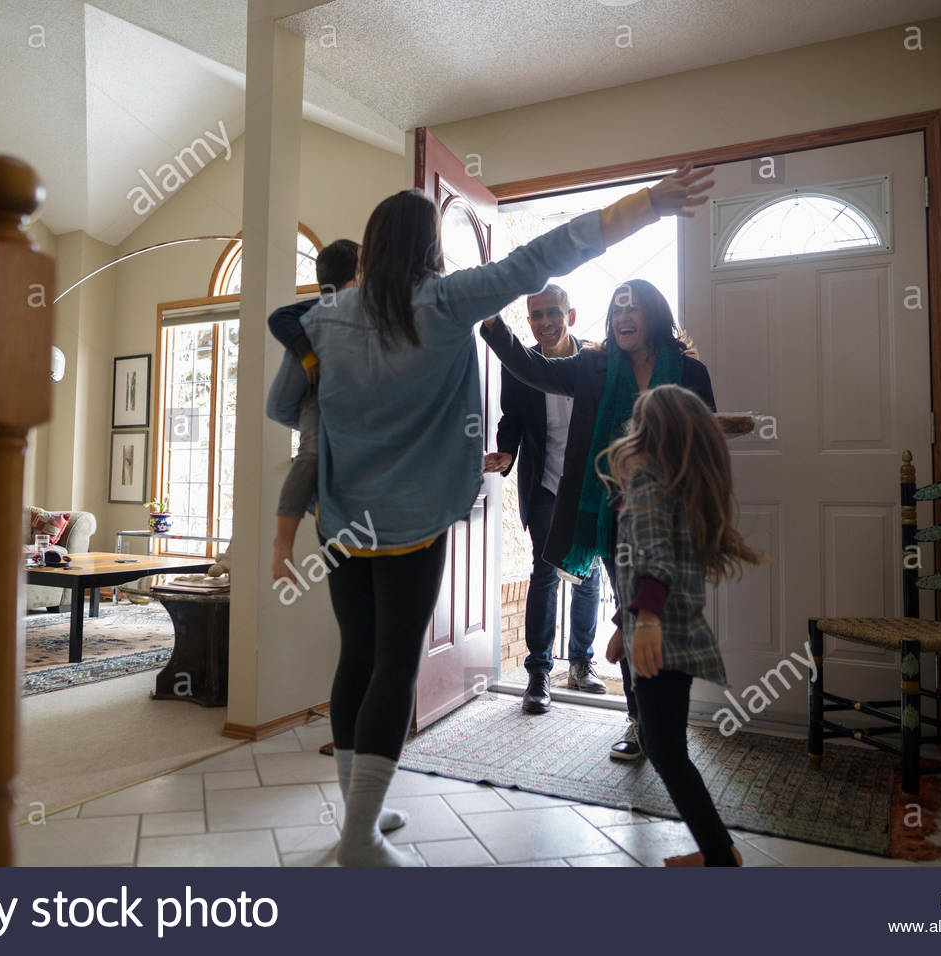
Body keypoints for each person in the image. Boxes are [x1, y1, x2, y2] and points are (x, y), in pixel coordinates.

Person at [267, 166, 714, 866]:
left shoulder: (324, 318)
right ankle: (359, 837)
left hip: (341, 520)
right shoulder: (446, 299)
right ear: (429, 249)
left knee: (356, 657)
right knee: (394, 665)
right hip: (412, 521)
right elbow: (544, 255)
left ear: (372, 247)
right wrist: (646, 205)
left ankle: (361, 813)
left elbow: (282, 404)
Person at [480, 278, 715, 761]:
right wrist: (492, 322)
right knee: (632, 614)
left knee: (662, 618)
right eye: (616, 309)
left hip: (671, 521)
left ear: (653, 314)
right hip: (612, 516)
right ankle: (640, 722)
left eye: (633, 308)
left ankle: (663, 721)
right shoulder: (594, 367)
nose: (623, 316)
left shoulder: (690, 372)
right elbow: (532, 368)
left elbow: (707, 445)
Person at [600, 384, 763, 865]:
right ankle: (717, 850)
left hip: (662, 640)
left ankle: (719, 856)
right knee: (662, 743)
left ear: (651, 438)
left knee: (666, 749)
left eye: (636, 427)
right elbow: (644, 564)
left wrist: (647, 622)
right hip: (663, 636)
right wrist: (623, 624)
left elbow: (654, 560)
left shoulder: (650, 485)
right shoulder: (674, 489)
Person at [483, 283, 605, 713]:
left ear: (570, 316)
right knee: (545, 570)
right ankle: (538, 672)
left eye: (553, 312)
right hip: (546, 484)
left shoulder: (594, 361)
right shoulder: (520, 364)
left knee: (588, 572)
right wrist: (506, 452)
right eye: (536, 315)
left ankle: (581, 663)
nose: (545, 322)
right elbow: (512, 418)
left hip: (590, 486)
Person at [267, 239, 360, 583]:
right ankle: (283, 543)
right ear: (355, 278)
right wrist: (306, 354)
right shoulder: (324, 308)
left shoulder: (367, 310)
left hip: (347, 410)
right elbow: (280, 317)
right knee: (311, 454)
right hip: (316, 397)